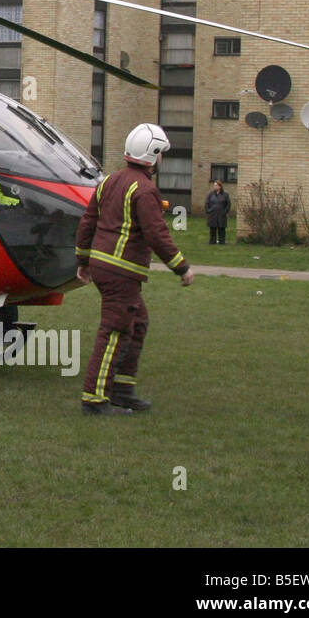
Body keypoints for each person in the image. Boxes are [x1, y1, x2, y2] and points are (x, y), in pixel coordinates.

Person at [75, 123, 194, 415]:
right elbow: (157, 233)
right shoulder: (145, 190)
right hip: (121, 271)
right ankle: (95, 399)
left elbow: (87, 223)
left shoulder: (109, 181)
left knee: (137, 322)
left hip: (105, 267)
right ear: (152, 155)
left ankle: (122, 390)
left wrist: (82, 261)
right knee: (114, 330)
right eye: (161, 153)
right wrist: (181, 267)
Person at [205, 180, 231, 244]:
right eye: (214, 185)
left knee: (221, 228)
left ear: (220, 186)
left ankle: (222, 241)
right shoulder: (210, 194)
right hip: (213, 214)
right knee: (213, 229)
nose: (214, 186)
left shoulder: (225, 195)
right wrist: (209, 210)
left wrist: (225, 212)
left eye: (216, 185)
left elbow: (228, 204)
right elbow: (207, 203)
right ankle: (212, 241)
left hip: (221, 215)